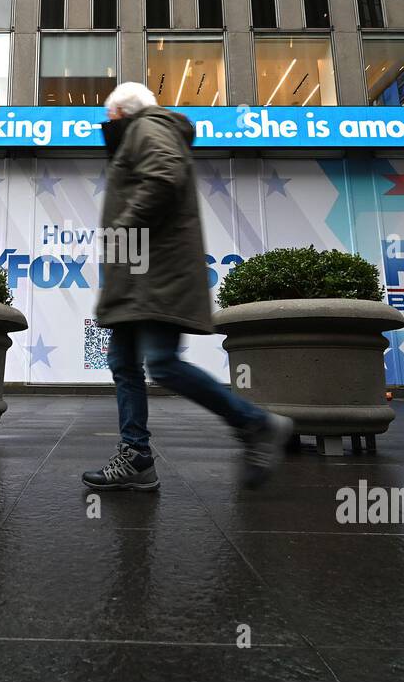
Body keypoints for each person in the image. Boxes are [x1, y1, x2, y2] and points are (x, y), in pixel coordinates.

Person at [81, 82, 293, 492]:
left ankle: (257, 424)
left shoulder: (149, 125)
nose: (106, 126)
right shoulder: (143, 130)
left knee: (161, 363)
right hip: (137, 278)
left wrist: (123, 229)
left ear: (122, 112)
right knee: (124, 365)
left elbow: (164, 176)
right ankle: (137, 456)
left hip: (156, 278)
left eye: (109, 119)